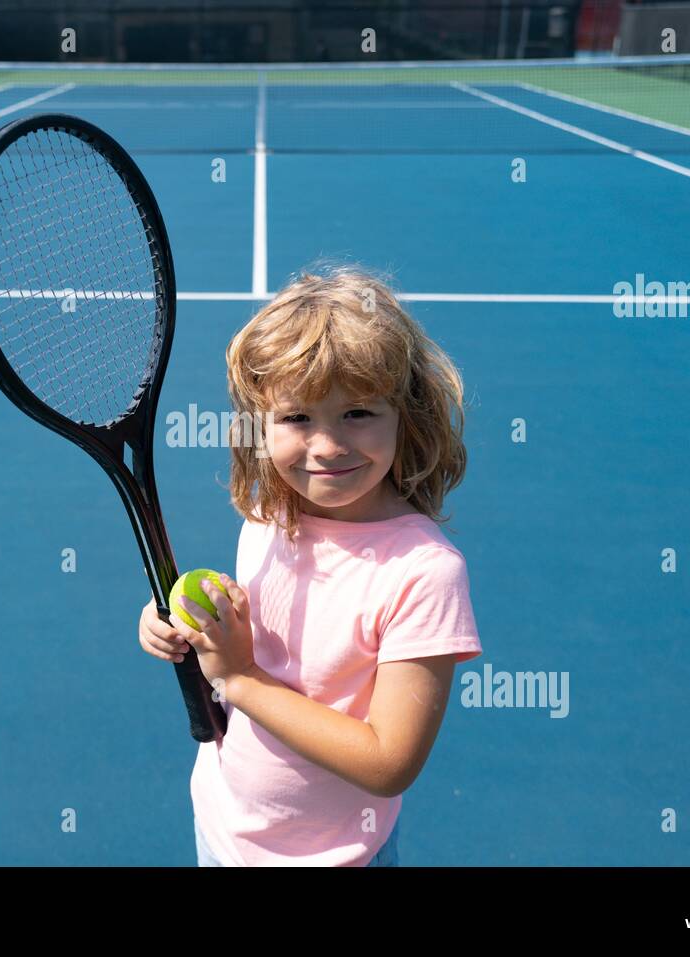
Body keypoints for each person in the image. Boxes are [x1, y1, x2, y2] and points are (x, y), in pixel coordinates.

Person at [138, 266, 482, 866]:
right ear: (259, 426)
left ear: (406, 415)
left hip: (332, 857)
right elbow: (267, 639)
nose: (327, 447)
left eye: (357, 414)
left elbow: (388, 763)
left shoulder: (423, 572)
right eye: (297, 418)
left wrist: (240, 678)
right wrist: (191, 626)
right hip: (225, 829)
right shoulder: (271, 512)